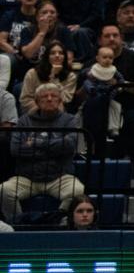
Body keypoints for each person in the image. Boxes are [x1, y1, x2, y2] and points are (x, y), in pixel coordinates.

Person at [0, 83, 84, 223]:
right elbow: (15, 149)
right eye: (45, 96)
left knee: (77, 191)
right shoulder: (24, 121)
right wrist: (54, 147)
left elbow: (69, 146)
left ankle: (58, 221)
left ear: (60, 100)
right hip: (27, 177)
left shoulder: (69, 120)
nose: (50, 99)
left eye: (54, 96)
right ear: (37, 101)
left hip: (60, 176)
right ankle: (17, 224)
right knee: (3, 190)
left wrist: (36, 143)